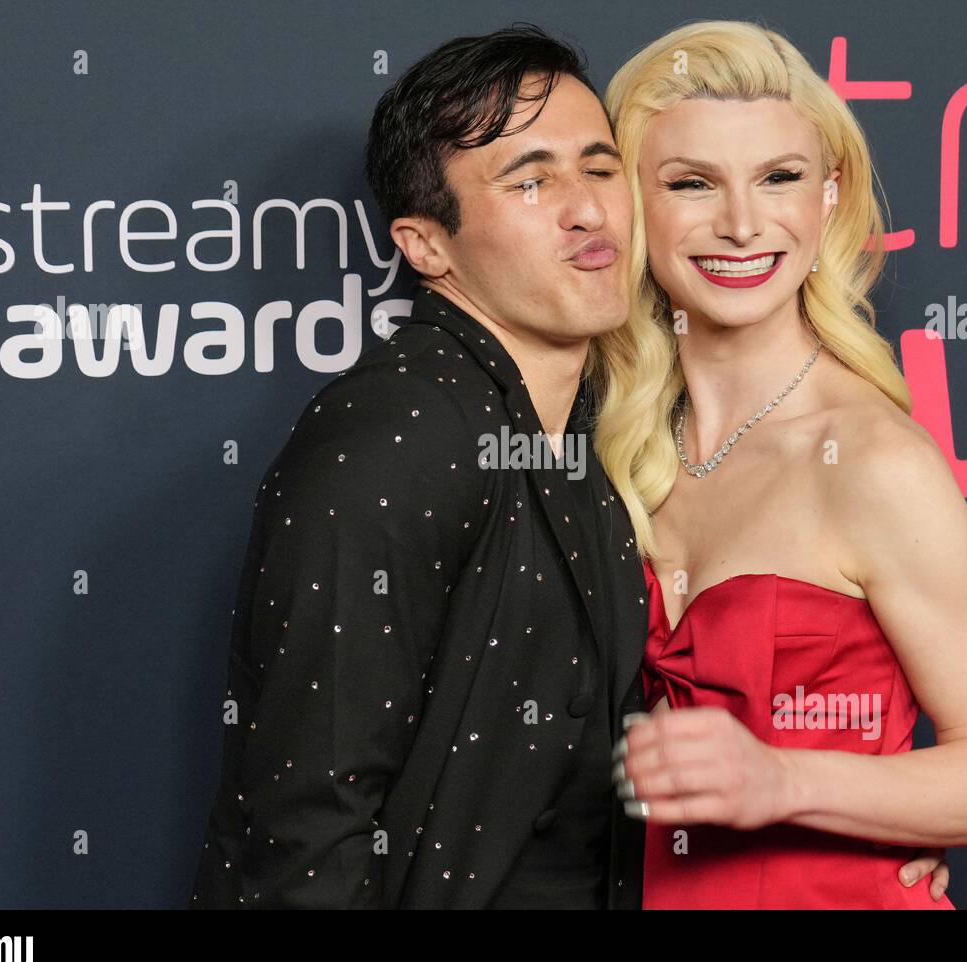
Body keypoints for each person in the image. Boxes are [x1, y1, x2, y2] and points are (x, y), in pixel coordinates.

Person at [190, 24, 646, 908]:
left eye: (599, 166)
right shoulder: (393, 434)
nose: (588, 208)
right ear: (426, 245)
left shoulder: (601, 430)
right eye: (531, 179)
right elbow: (304, 827)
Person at [598, 20, 967, 908]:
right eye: (692, 183)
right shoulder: (621, 439)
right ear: (635, 206)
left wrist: (787, 781)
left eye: (780, 178)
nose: (740, 224)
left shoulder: (873, 459)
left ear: (829, 198)